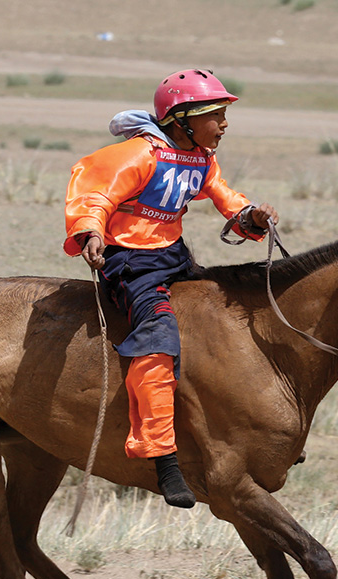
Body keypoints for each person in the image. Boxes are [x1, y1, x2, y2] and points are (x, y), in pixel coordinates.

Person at [64, 68, 278, 509]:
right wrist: (91, 232)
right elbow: (94, 194)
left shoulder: (201, 158)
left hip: (174, 257)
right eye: (215, 115)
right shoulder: (138, 155)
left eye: (223, 115)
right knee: (157, 345)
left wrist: (250, 216)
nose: (223, 124)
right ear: (182, 119)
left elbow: (226, 197)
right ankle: (161, 455)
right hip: (130, 264)